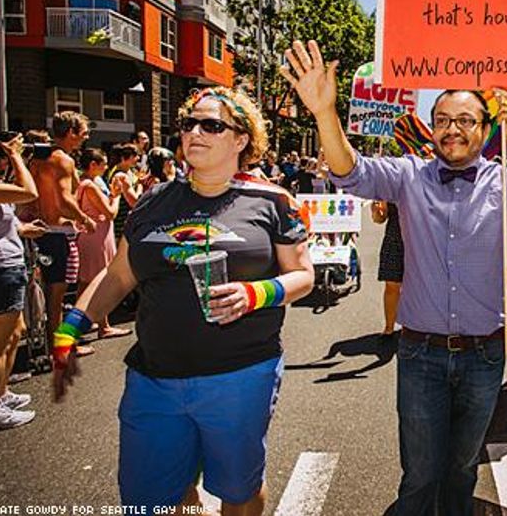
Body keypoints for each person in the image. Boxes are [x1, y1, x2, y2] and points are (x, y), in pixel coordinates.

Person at [280, 39, 507, 516]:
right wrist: (325, 112)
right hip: (420, 354)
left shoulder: (503, 177)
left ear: (485, 129)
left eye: (466, 121)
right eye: (444, 121)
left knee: (463, 468)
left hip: (484, 354)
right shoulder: (408, 174)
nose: (453, 130)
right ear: (432, 129)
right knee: (420, 473)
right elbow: (351, 172)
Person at [52, 87, 314, 515]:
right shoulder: (154, 201)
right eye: (188, 123)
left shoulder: (273, 201)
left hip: (241, 375)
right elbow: (119, 274)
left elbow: (304, 275)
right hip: (154, 378)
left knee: (238, 490)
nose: (195, 132)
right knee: (151, 498)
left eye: (212, 125)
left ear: (241, 139)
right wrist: (71, 328)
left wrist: (256, 293)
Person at [0, 133, 45, 431]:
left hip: (8, 264)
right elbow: (27, 191)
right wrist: (15, 157)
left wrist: (22, 229)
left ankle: (0, 392)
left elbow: (2, 221)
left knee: (15, 334)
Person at [30, 112, 96, 352]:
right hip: (58, 233)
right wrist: (85, 219)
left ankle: (51, 345)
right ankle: (61, 347)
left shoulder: (38, 159)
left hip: (40, 231)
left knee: (48, 294)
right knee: (57, 296)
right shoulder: (62, 160)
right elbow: (64, 200)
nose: (85, 138)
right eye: (84, 132)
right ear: (71, 133)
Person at [76, 148, 129, 339]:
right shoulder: (90, 185)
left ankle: (80, 325)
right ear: (93, 165)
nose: (107, 167)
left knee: (86, 281)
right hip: (97, 235)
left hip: (94, 234)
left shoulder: (83, 182)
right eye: (103, 163)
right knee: (100, 281)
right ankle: (103, 326)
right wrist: (117, 195)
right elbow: (110, 212)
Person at [372, 200, 404, 338]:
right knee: (391, 285)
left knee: (421, 286)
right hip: (395, 237)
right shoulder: (390, 185)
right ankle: (389, 328)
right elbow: (379, 219)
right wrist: (377, 212)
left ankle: (415, 327)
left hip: (421, 239)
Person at [107, 143, 142, 241]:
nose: (138, 158)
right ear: (123, 158)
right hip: (122, 224)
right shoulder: (121, 176)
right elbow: (134, 202)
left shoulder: (130, 171)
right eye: (134, 156)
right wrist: (140, 186)